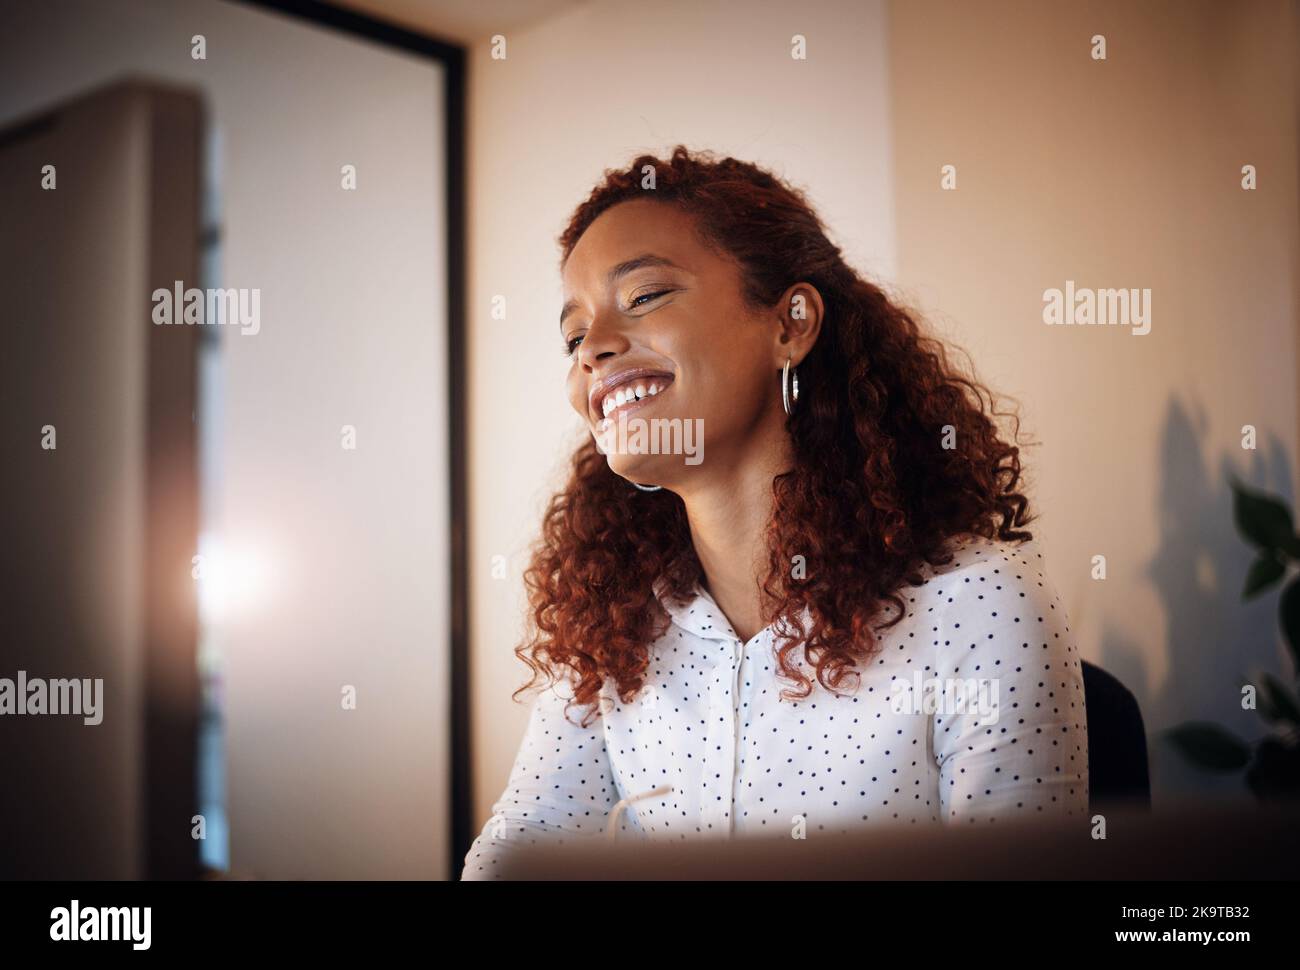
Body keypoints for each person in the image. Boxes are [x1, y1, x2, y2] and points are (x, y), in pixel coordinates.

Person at [460, 146, 1087, 880]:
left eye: (646, 297)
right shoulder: (613, 629)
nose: (592, 350)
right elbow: (518, 852)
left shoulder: (978, 602)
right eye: (573, 336)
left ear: (791, 323)